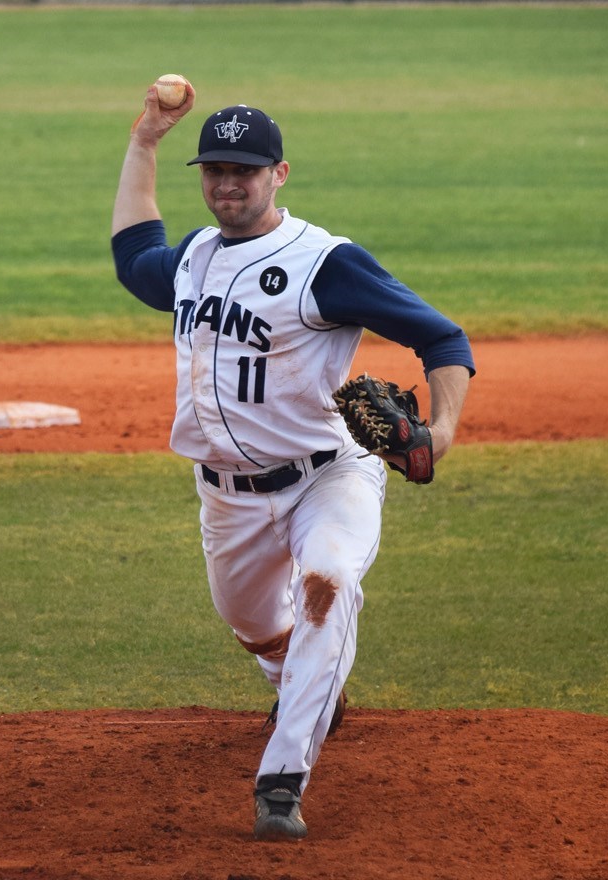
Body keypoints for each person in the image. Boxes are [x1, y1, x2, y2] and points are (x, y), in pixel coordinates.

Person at [110, 81, 475, 842]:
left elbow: (443, 340)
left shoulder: (324, 262)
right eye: (214, 170)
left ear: (280, 174)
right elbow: (134, 254)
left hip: (328, 476)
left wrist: (438, 432)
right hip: (228, 498)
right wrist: (144, 143)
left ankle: (283, 778)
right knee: (251, 623)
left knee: (329, 583)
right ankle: (305, 680)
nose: (227, 183)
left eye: (245, 169)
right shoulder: (193, 261)